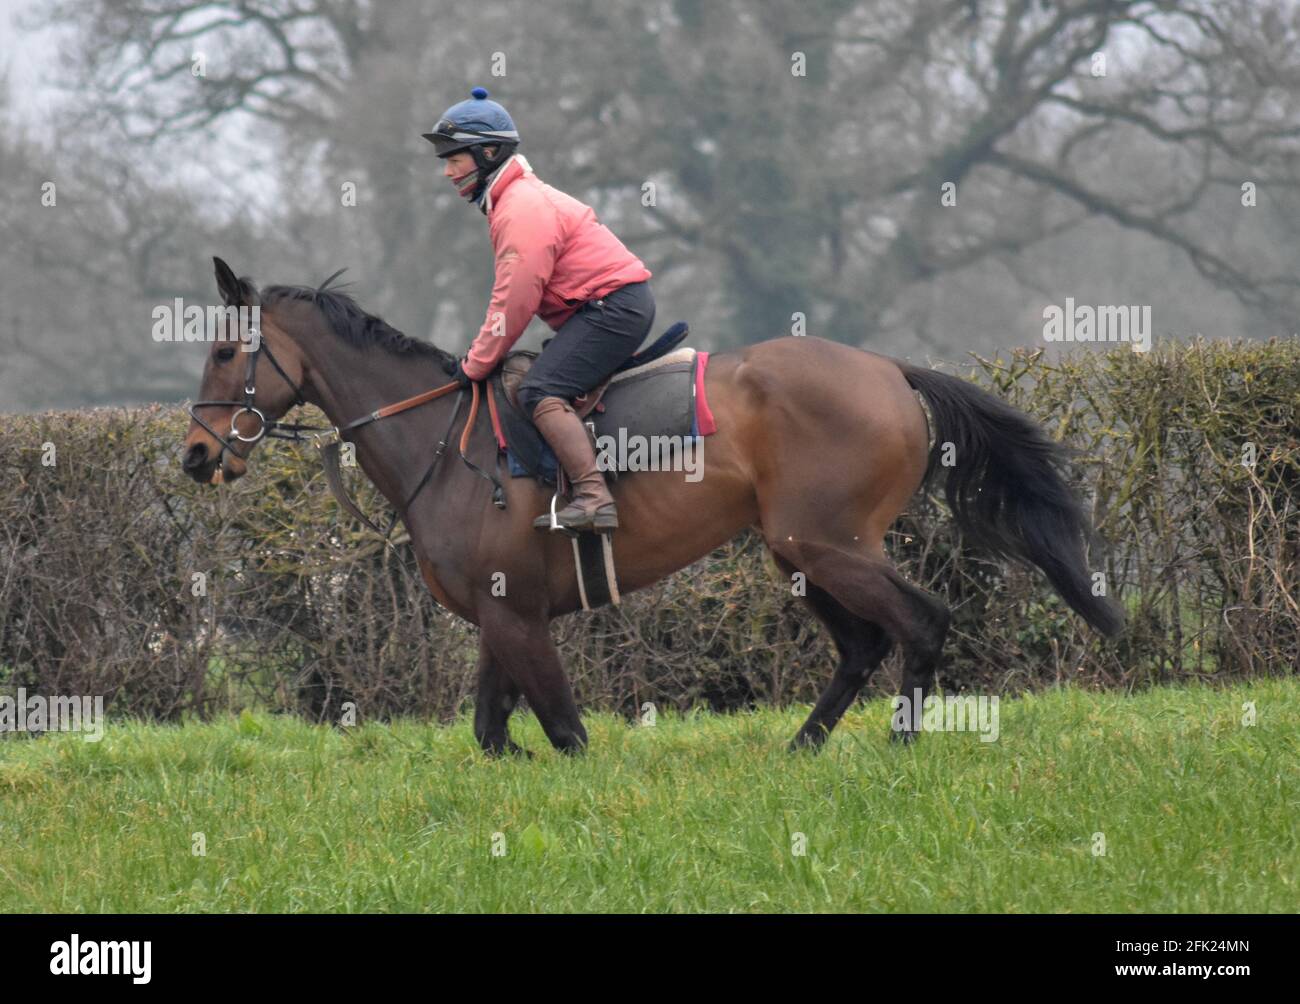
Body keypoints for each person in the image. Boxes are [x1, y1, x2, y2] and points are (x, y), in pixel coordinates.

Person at [423, 87, 654, 534]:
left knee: (538, 390)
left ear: (489, 152)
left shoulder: (520, 207)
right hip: (610, 307)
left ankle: (592, 497)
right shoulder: (513, 200)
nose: (448, 172)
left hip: (613, 309)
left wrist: (475, 363)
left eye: (455, 159)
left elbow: (515, 299)